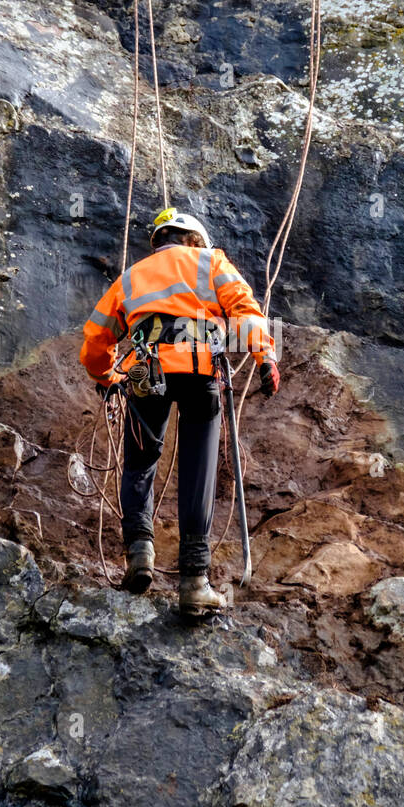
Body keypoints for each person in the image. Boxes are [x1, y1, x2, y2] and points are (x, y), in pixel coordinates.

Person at [80, 208, 280, 617]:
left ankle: (139, 554)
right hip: (199, 374)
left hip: (144, 375)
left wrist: (106, 378)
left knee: (139, 462)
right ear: (193, 240)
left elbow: (96, 339)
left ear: (159, 240)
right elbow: (246, 311)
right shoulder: (211, 262)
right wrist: (265, 358)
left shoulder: (131, 277)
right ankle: (194, 582)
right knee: (197, 472)